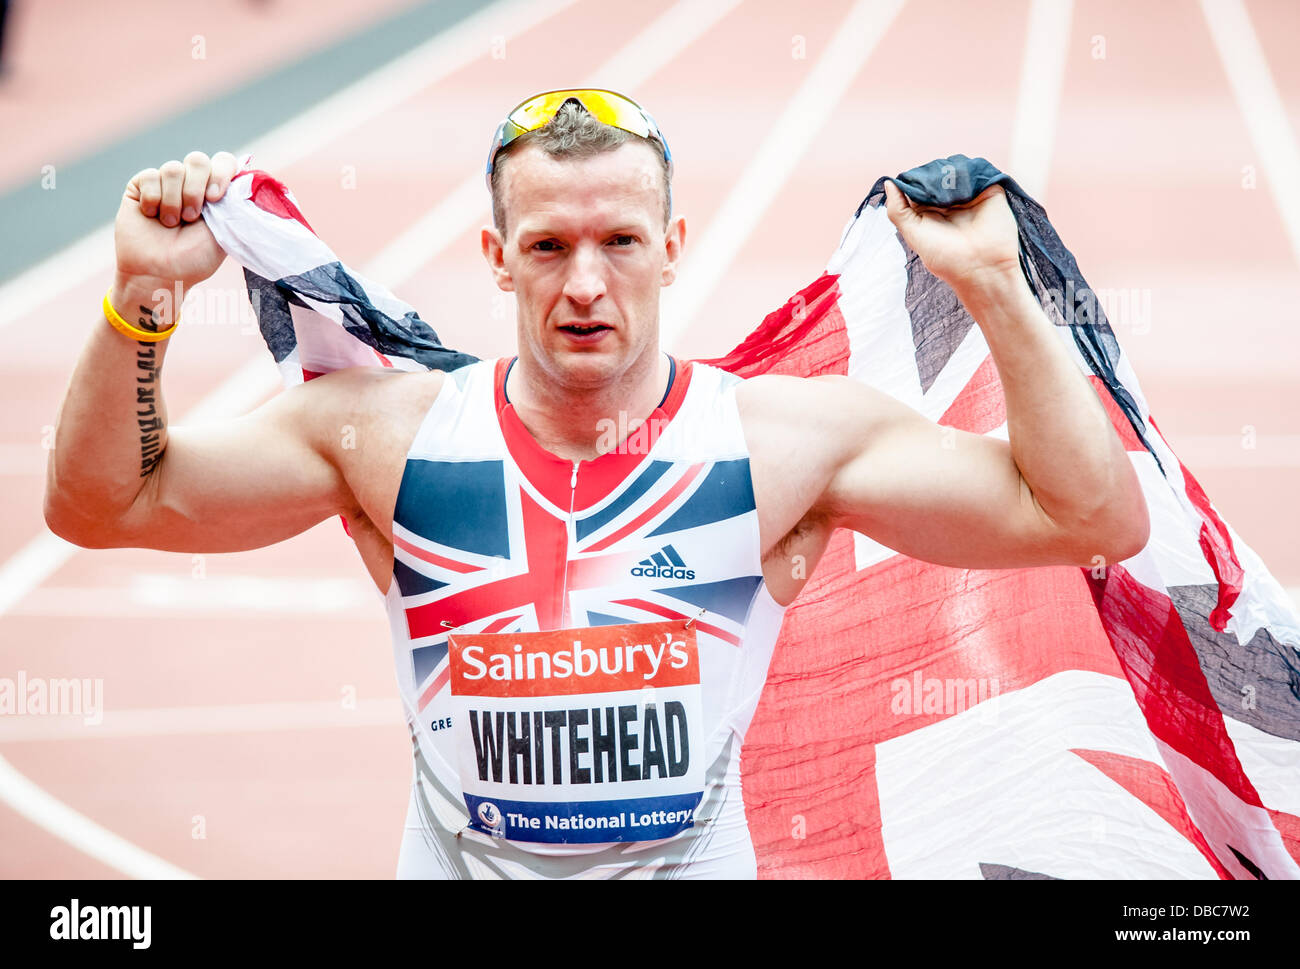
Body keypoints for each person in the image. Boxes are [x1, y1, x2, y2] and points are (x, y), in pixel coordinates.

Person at [44, 89, 1149, 879]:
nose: (584, 284)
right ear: (495, 256)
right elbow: (105, 505)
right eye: (547, 246)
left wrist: (998, 287)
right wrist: (142, 294)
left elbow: (1087, 516)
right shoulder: (384, 437)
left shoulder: (783, 443)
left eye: (619, 240)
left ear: (671, 248)